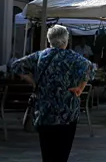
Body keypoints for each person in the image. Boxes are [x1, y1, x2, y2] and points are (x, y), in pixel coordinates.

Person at [8, 25, 91, 162]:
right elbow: (89, 69)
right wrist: (80, 88)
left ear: (49, 40)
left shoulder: (40, 56)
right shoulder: (73, 57)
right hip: (67, 112)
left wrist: (33, 82)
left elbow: (15, 65)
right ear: (66, 41)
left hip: (44, 111)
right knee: (62, 153)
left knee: (47, 153)